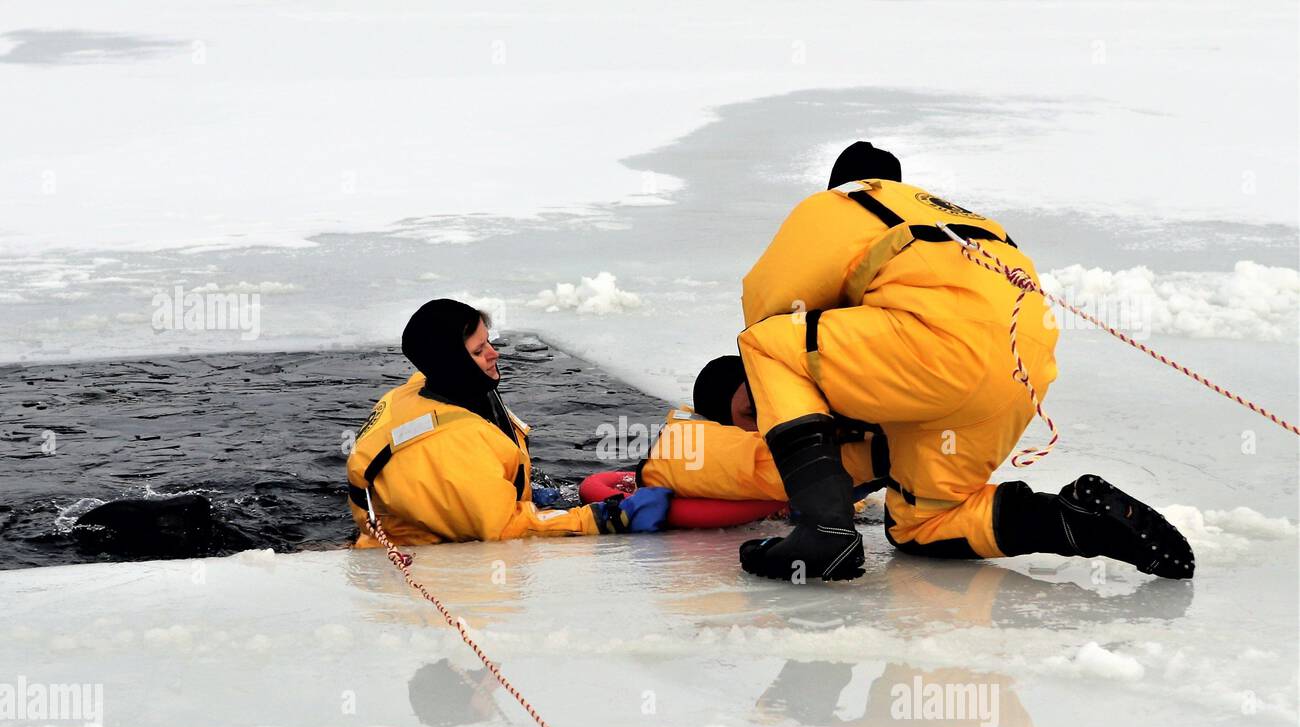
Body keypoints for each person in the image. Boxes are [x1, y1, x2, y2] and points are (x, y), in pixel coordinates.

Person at [733, 141, 1195, 582]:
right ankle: (1075, 521)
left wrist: (797, 417)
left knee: (766, 344)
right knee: (924, 522)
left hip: (938, 348)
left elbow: (770, 306)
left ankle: (825, 527)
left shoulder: (840, 203)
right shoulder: (958, 217)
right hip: (1019, 369)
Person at [347, 298, 670, 545]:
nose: (494, 354)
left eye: (489, 342)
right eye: (478, 351)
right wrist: (607, 518)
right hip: (429, 555)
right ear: (451, 363)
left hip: (460, 499)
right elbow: (504, 529)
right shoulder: (452, 448)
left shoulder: (437, 386)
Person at [637, 354, 884, 504]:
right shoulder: (689, 449)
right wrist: (883, 456)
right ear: (721, 421)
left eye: (771, 406)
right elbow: (773, 469)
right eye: (753, 413)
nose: (770, 423)